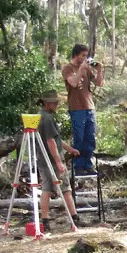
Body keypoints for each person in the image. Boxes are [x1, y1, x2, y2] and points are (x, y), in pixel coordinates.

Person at [35, 90, 82, 231]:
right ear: (47, 103)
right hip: (51, 161)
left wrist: (70, 149)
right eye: (54, 103)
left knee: (46, 189)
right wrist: (59, 162)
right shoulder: (47, 118)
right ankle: (74, 218)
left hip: (42, 160)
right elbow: (50, 141)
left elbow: (56, 139)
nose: (56, 105)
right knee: (66, 189)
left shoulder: (39, 116)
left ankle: (45, 221)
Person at [62, 43, 105, 176]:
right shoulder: (68, 68)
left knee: (90, 137)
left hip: (89, 107)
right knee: (79, 137)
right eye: (83, 55)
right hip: (76, 108)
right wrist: (81, 69)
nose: (85, 58)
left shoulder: (87, 69)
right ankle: (78, 165)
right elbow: (73, 83)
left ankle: (88, 164)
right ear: (76, 55)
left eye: (87, 56)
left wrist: (99, 70)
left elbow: (99, 83)